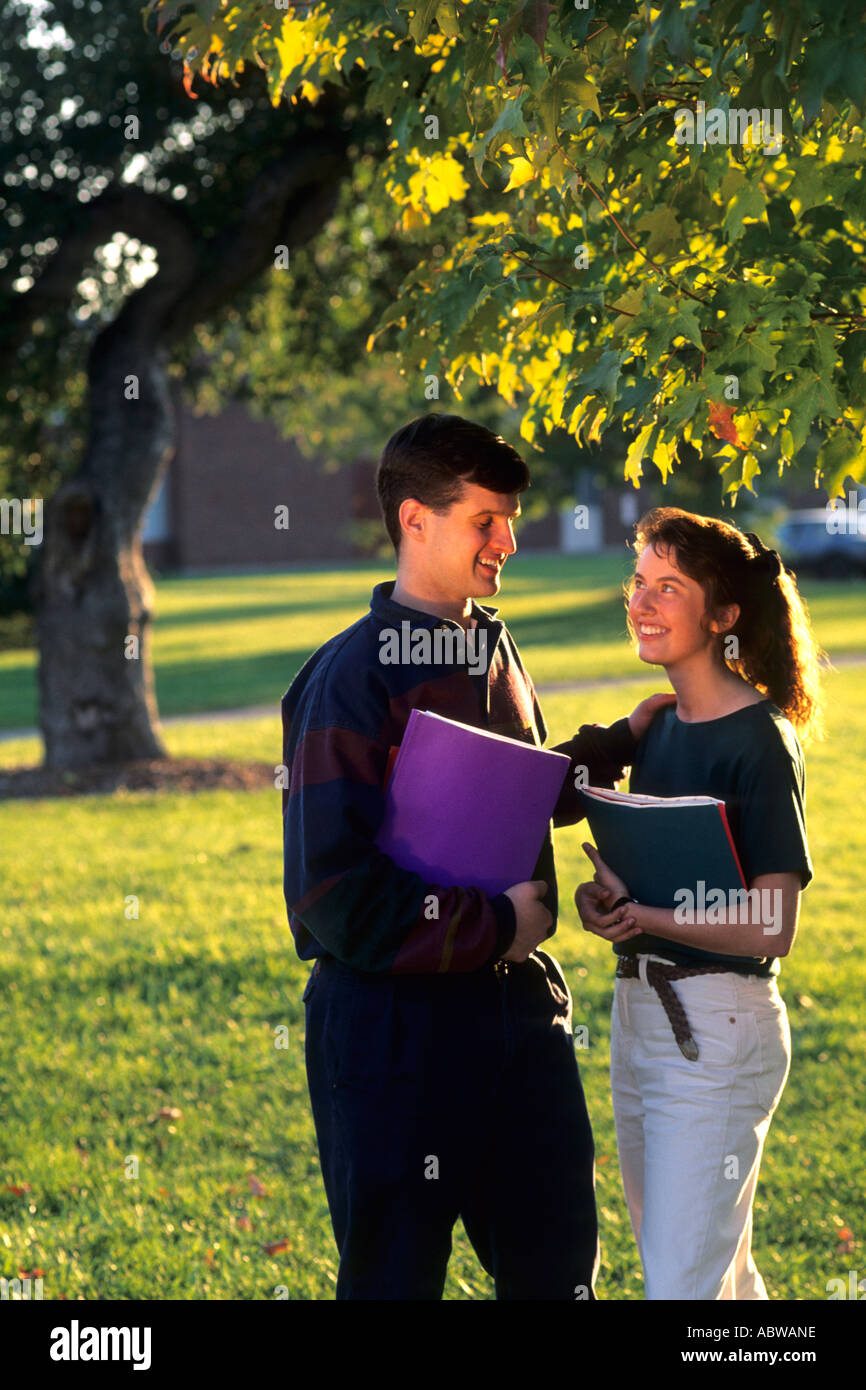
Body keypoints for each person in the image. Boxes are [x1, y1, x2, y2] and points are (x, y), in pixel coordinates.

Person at [281, 413, 672, 1300]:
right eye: (485, 520)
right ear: (415, 520)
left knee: (557, 1270)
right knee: (396, 1280)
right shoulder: (351, 677)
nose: (510, 540)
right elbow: (332, 896)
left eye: (511, 518)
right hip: (392, 1035)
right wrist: (498, 925)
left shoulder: (490, 646)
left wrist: (614, 745)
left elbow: (501, 794)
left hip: (518, 1021)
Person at [575, 506, 824, 1300]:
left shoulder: (759, 739)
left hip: (717, 1027)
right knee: (712, 1280)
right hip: (640, 1013)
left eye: (669, 587)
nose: (641, 604)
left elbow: (773, 925)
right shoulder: (655, 726)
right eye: (639, 583)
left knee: (682, 1285)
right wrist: (611, 904)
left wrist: (646, 917)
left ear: (723, 616)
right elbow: (666, 879)